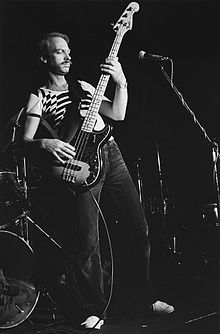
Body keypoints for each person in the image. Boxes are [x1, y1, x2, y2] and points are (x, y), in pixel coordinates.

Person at [20, 32, 174, 330]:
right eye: (58, 52)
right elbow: (24, 141)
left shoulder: (83, 86)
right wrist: (45, 144)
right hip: (81, 164)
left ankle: (146, 297)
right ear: (44, 58)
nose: (67, 56)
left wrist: (121, 82)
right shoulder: (38, 97)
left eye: (68, 51)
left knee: (138, 227)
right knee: (88, 240)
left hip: (110, 152)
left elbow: (118, 113)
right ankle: (93, 308)